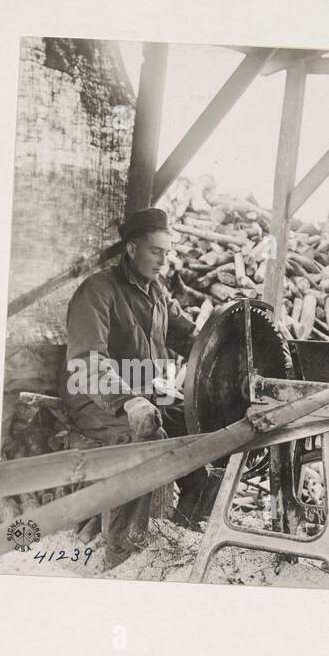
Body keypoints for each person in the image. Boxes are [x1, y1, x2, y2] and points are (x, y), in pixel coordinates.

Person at [59, 206, 213, 568]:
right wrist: (129, 400)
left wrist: (222, 343)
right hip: (97, 400)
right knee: (148, 443)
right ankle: (121, 555)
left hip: (145, 398)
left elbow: (191, 338)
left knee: (206, 432)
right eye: (155, 251)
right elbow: (86, 362)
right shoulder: (97, 291)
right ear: (131, 249)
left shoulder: (157, 293)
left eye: (167, 252)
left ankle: (179, 532)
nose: (163, 261)